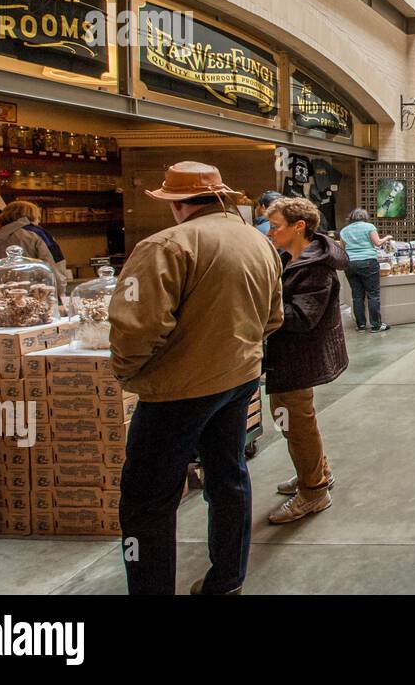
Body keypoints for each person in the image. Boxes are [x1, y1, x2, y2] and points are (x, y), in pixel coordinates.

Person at [109, 162, 283, 595]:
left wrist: (128, 372)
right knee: (228, 478)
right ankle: (227, 578)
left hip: (176, 391)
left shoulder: (166, 245)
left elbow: (137, 327)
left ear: (177, 204)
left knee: (147, 502)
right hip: (238, 379)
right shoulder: (257, 241)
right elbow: (273, 316)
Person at [263, 197, 349, 524]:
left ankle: (314, 492)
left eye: (276, 226)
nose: (270, 233)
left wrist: (260, 306)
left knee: (296, 422)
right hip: (287, 357)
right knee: (297, 419)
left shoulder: (316, 267)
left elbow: (302, 318)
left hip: (299, 358)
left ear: (299, 227)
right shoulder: (291, 257)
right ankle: (315, 472)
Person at [0, 200, 68, 292]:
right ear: (32, 215)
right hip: (32, 292)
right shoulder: (36, 233)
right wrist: (61, 290)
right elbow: (54, 264)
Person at [339, 207, 392, 332]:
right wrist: (387, 237)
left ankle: (361, 325)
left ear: (351, 217)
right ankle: (375, 325)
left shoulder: (344, 230)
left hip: (350, 263)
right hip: (368, 261)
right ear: (365, 217)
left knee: (357, 296)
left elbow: (342, 248)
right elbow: (377, 243)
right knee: (373, 295)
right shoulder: (369, 227)